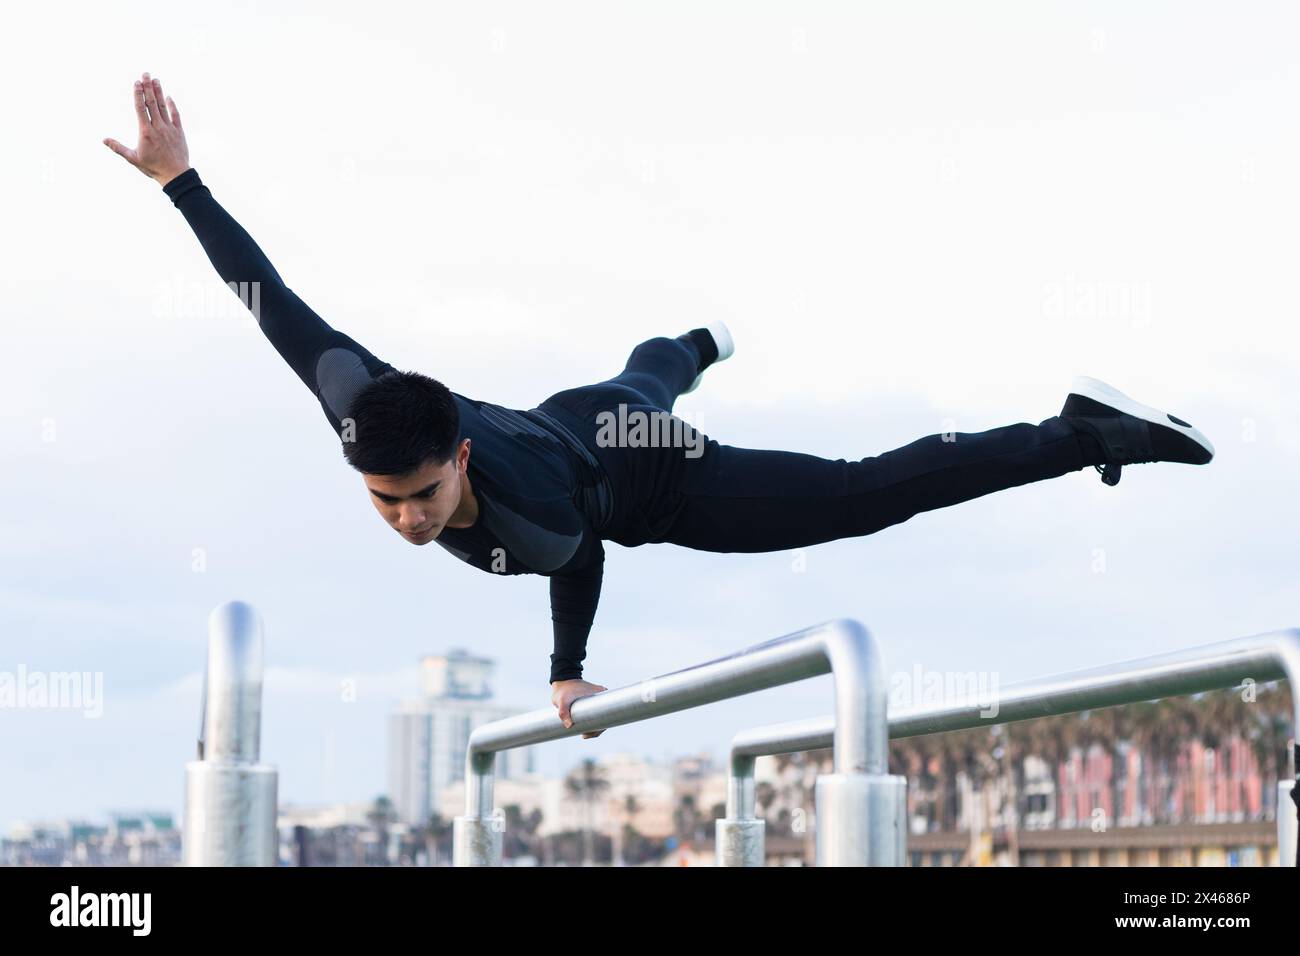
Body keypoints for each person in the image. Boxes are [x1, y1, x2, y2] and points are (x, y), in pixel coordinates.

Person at [105, 73, 1215, 739]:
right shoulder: (360, 402)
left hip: (652, 473)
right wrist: (180, 182)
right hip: (576, 413)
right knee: (639, 375)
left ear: (457, 455)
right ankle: (688, 340)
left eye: (422, 494)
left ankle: (1083, 429)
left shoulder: (523, 506)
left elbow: (578, 552)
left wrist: (562, 667)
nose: (405, 517)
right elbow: (267, 298)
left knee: (862, 495)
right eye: (383, 501)